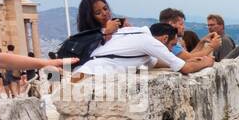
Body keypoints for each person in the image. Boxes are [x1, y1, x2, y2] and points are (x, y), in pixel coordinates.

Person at [74, 22, 214, 77]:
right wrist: (206, 62)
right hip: (94, 77)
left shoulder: (131, 31)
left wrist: (192, 60)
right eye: (172, 45)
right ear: (164, 39)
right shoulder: (149, 41)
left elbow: (157, 62)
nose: (171, 50)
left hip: (81, 73)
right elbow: (185, 69)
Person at [55, 0, 124, 61]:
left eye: (105, 8)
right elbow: (93, 53)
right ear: (90, 18)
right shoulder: (86, 38)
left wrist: (127, 29)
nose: (104, 13)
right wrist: (108, 32)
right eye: (98, 13)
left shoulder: (118, 27)